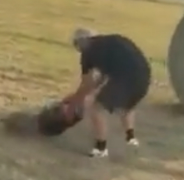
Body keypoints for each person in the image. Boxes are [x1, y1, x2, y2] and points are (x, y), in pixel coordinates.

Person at [64, 27, 151, 158]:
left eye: (76, 44)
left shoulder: (89, 51)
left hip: (126, 78)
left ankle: (101, 148)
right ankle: (131, 139)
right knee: (127, 105)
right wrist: (80, 95)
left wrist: (75, 100)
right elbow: (100, 79)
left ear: (81, 41)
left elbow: (89, 81)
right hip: (144, 76)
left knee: (96, 108)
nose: (77, 48)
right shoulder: (110, 42)